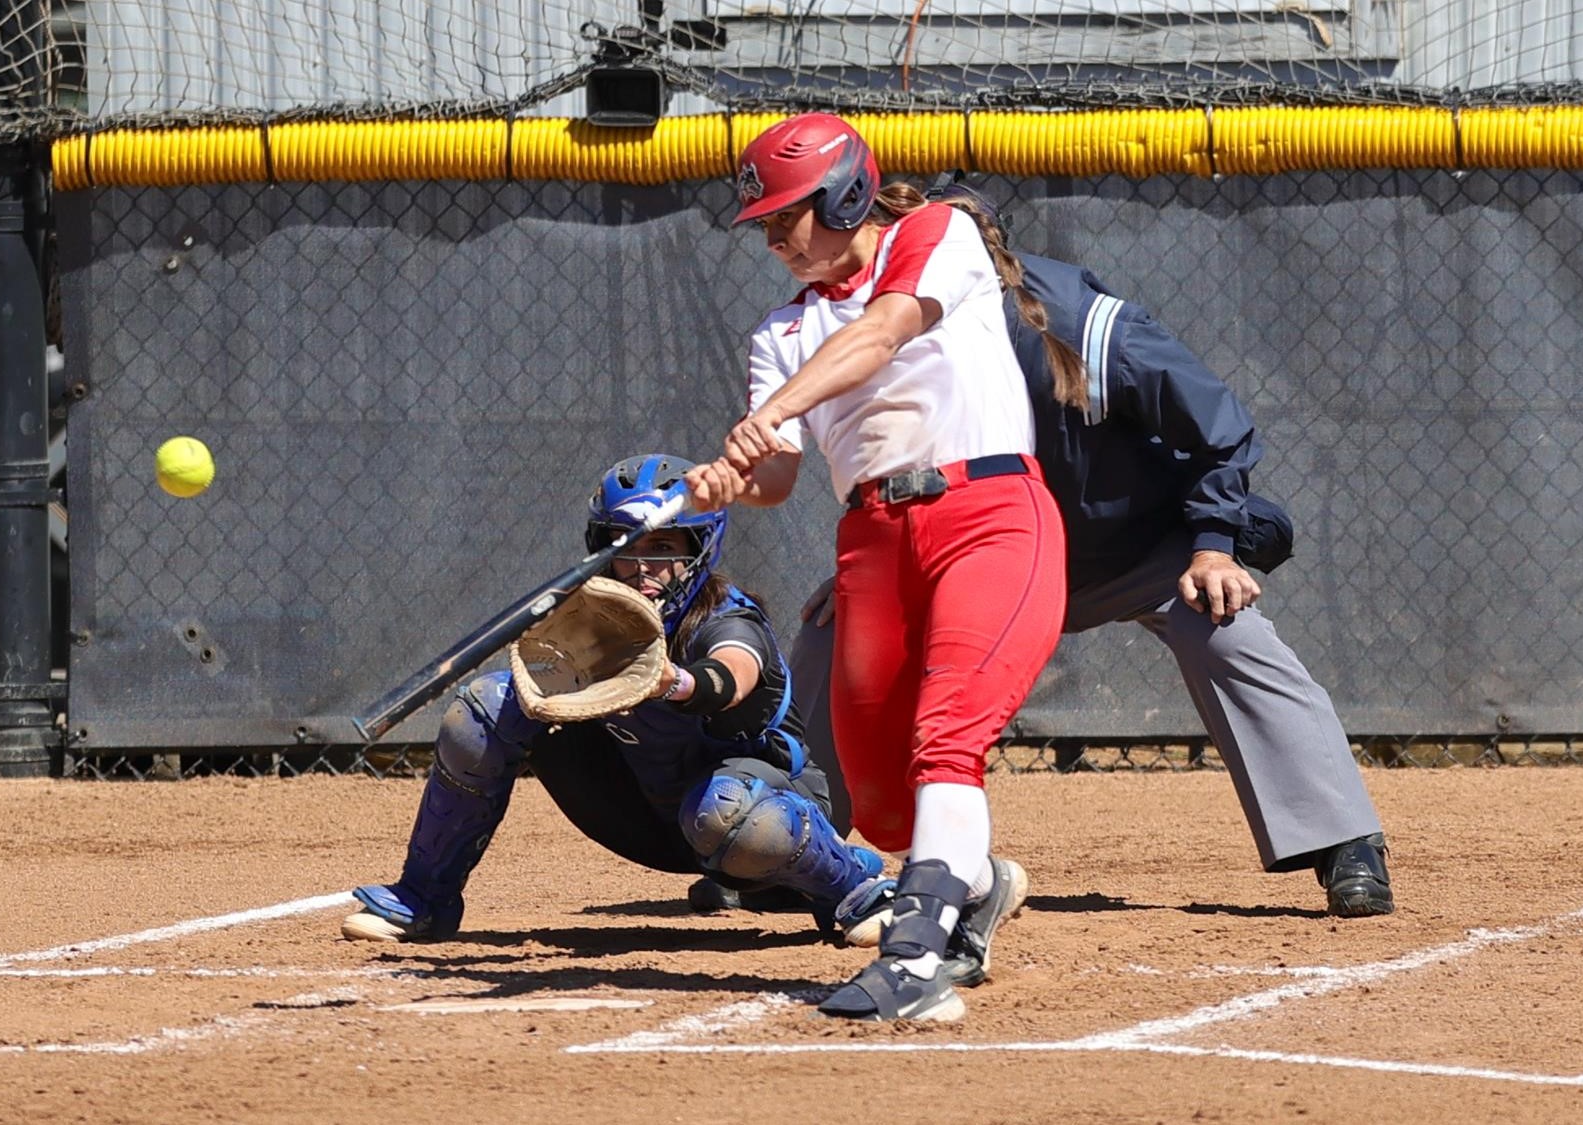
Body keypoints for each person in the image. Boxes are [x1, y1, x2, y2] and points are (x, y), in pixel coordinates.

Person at [789, 180, 1394, 919]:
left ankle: (1343, 839)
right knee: (830, 631)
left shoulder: (1081, 326)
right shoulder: (882, 329)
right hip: (973, 558)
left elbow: (1220, 426)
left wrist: (1211, 546)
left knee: (1221, 625)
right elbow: (882, 471)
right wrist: (874, 572)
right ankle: (791, 847)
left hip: (1130, 549)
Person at [683, 113, 1068, 1022]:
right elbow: (779, 477)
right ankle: (974, 882)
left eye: (787, 216)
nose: (774, 240)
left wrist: (772, 413)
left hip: (988, 512)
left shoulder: (937, 234)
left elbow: (883, 333)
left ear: (847, 195)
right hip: (874, 543)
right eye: (765, 224)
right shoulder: (781, 333)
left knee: (948, 737)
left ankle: (915, 958)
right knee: (887, 802)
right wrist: (732, 477)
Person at [340, 453, 893, 946]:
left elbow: (733, 674)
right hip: (653, 817)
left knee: (725, 810)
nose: (642, 566)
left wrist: (673, 682)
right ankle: (424, 898)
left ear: (698, 548)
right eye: (625, 546)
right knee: (488, 706)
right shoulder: (594, 619)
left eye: (663, 546)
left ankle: (852, 886)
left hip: (767, 805)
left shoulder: (728, 618)